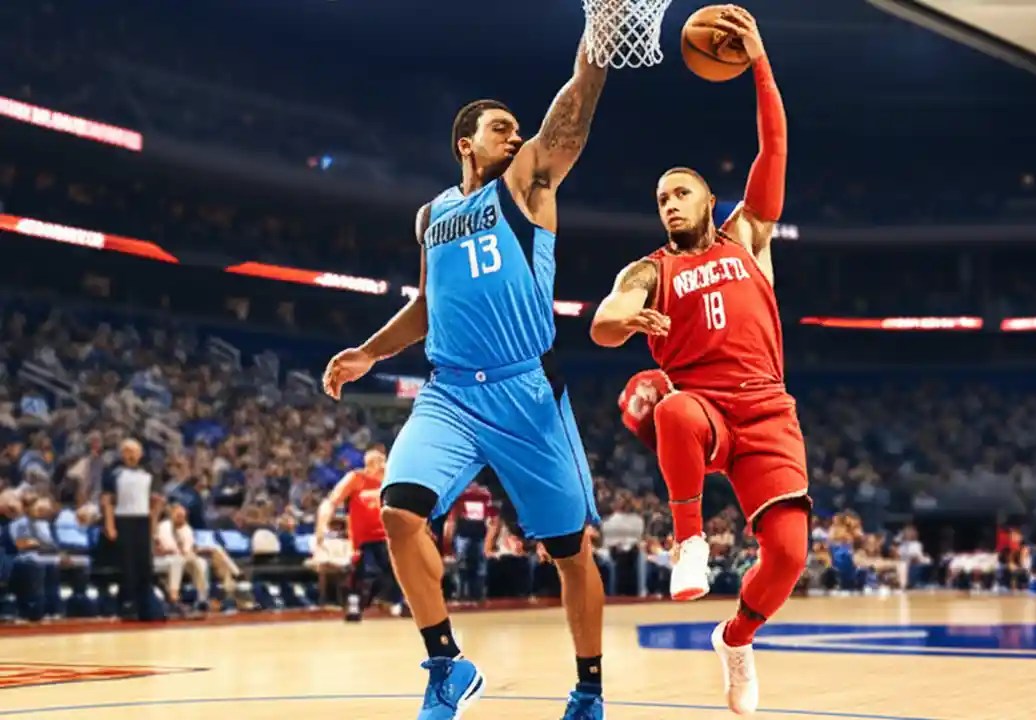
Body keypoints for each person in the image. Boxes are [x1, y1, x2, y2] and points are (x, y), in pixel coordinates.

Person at [320, 18, 609, 720]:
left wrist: (598, 38)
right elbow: (429, 303)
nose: (515, 137)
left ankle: (589, 690)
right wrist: (371, 351)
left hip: (525, 389)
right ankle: (446, 666)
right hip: (449, 391)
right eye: (502, 128)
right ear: (466, 142)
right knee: (396, 511)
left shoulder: (529, 185)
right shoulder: (431, 215)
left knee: (571, 552)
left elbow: (569, 117)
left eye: (517, 129)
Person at [589, 7, 806, 715]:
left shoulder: (747, 234)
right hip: (705, 410)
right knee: (671, 403)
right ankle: (689, 542)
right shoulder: (650, 269)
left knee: (789, 555)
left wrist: (762, 61)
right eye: (660, 199)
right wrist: (630, 319)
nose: (669, 204)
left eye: (680, 192)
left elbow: (774, 145)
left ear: (711, 199)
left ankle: (737, 639)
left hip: (768, 405)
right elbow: (603, 319)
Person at [314, 449, 401, 621]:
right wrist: (321, 528)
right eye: (375, 462)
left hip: (387, 537)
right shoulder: (356, 478)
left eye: (382, 461)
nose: (380, 466)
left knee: (396, 569)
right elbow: (331, 502)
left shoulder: (392, 481)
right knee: (363, 571)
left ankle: (390, 601)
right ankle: (355, 606)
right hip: (363, 539)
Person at [101, 438, 165, 622]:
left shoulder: (149, 473)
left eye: (134, 451)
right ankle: (127, 606)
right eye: (127, 451)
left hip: (143, 521)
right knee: (127, 566)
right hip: (123, 520)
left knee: (145, 565)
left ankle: (147, 606)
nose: (131, 455)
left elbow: (157, 502)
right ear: (122, 454)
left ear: (141, 454)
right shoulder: (114, 473)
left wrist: (153, 528)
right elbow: (108, 501)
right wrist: (110, 525)